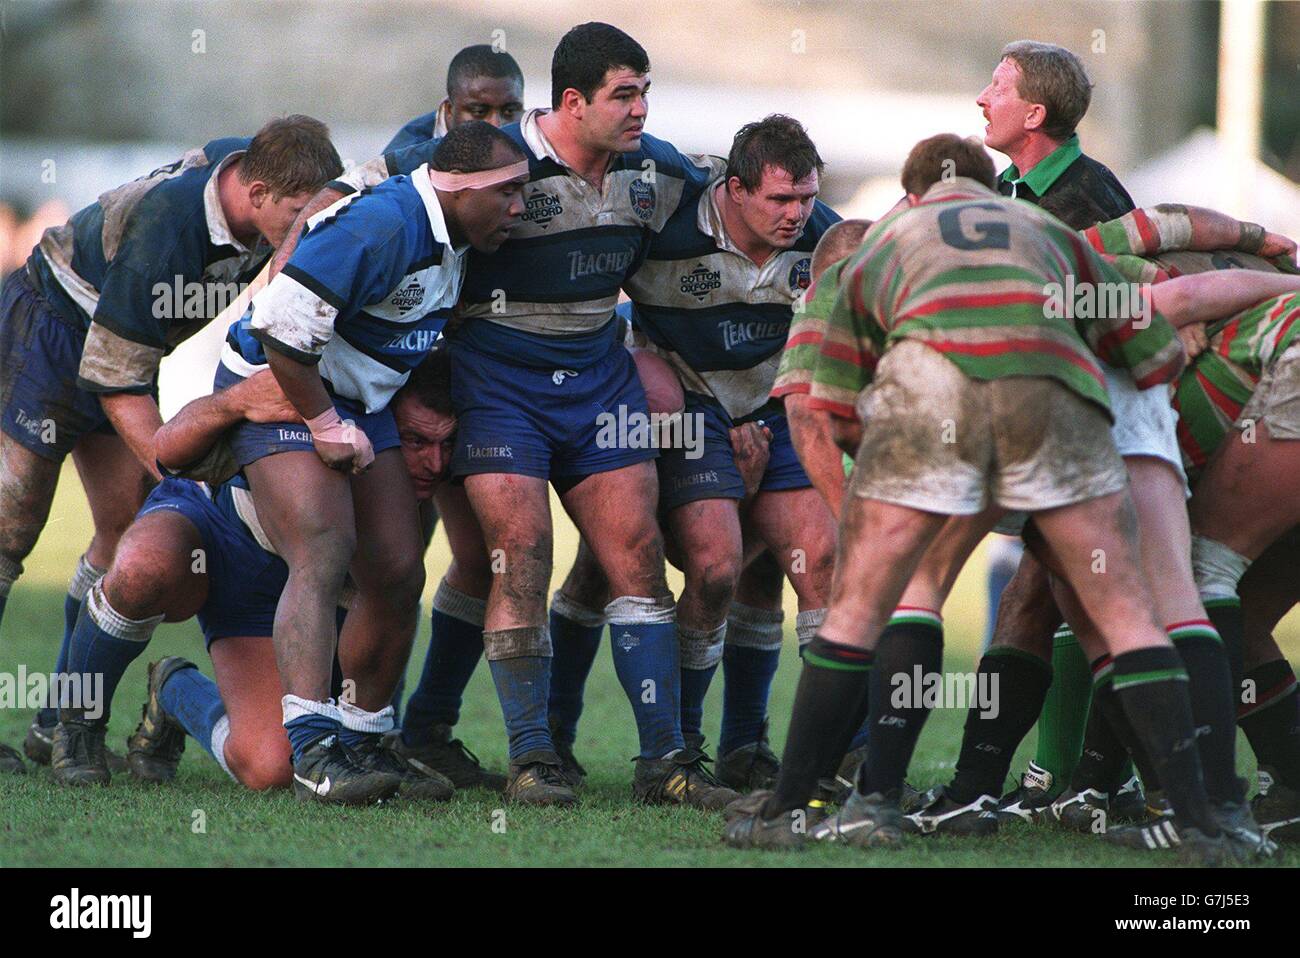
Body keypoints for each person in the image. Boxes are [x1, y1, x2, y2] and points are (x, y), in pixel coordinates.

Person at [723, 134, 1256, 865]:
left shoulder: (884, 242)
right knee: (1129, 615)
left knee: (887, 599)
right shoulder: (1045, 232)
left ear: (915, 196)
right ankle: (1203, 822)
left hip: (934, 401)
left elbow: (832, 395)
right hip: (1057, 401)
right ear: (987, 189)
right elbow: (1151, 345)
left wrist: (883, 483)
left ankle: (828, 805)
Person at [1, 116, 342, 775]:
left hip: (123, 347)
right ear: (260, 191)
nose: (305, 233)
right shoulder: (170, 230)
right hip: (53, 325)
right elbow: (110, 374)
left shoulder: (249, 181)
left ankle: (59, 720)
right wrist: (175, 462)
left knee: (125, 530)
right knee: (11, 531)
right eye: (297, 215)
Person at [207, 122, 527, 804]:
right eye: (508, 194)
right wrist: (323, 423)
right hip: (282, 385)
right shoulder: (386, 227)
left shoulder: (454, 223)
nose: (520, 209)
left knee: (396, 566)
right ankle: (313, 748)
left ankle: (364, 737)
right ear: (459, 190)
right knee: (323, 548)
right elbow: (283, 329)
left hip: (360, 396)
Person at [386, 44, 526, 152]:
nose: (497, 126)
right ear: (449, 110)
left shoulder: (536, 140)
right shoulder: (404, 163)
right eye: (479, 112)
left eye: (509, 111)